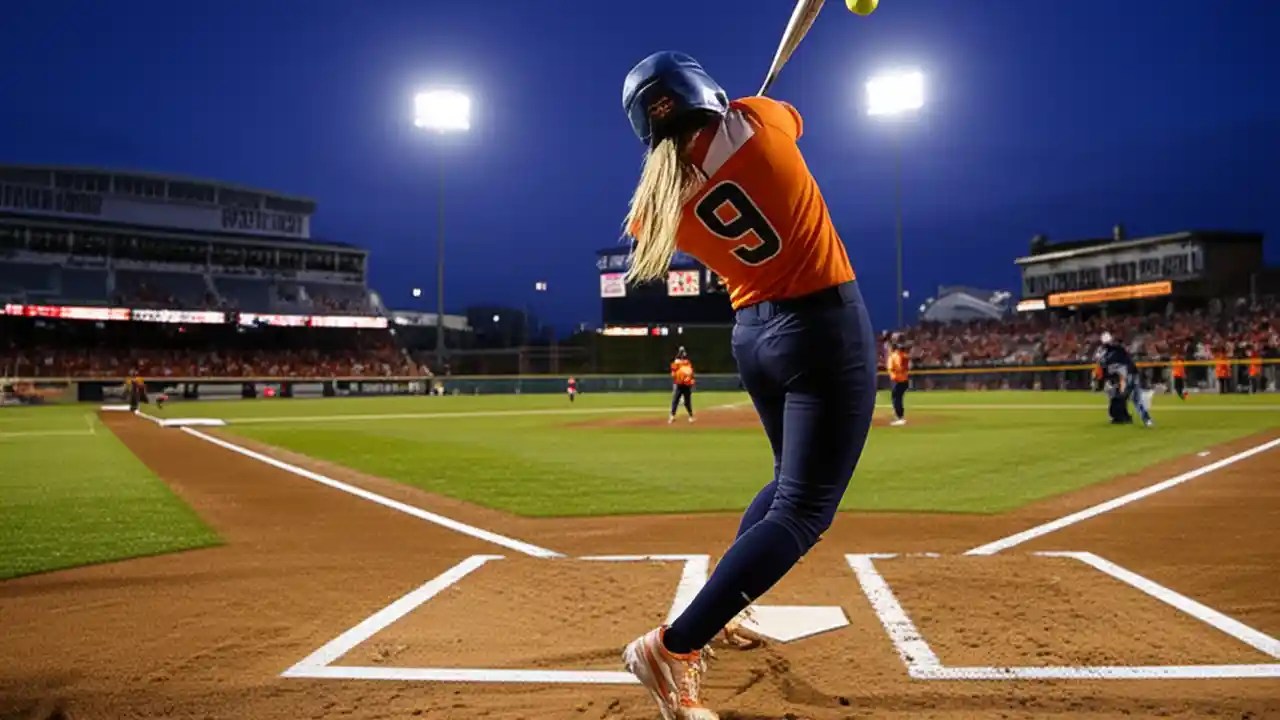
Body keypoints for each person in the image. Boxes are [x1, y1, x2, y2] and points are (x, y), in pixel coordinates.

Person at [617, 51, 877, 719]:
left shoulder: (658, 210)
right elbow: (795, 117)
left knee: (788, 480)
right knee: (804, 508)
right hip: (822, 325)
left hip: (755, 339)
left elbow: (669, 194)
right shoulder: (758, 124)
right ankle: (673, 647)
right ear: (705, 89)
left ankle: (726, 606)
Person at [669, 347, 696, 423]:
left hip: (686, 385)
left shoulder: (687, 363)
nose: (683, 358)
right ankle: (672, 416)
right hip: (679, 384)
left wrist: (691, 380)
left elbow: (691, 373)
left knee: (687, 402)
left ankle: (690, 416)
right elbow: (673, 371)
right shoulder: (678, 363)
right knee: (675, 400)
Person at [887, 337, 910, 426]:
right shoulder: (902, 355)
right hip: (903, 379)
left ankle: (900, 417)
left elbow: (897, 367)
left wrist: (895, 373)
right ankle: (899, 415)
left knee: (896, 399)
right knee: (897, 398)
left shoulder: (895, 356)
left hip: (898, 380)